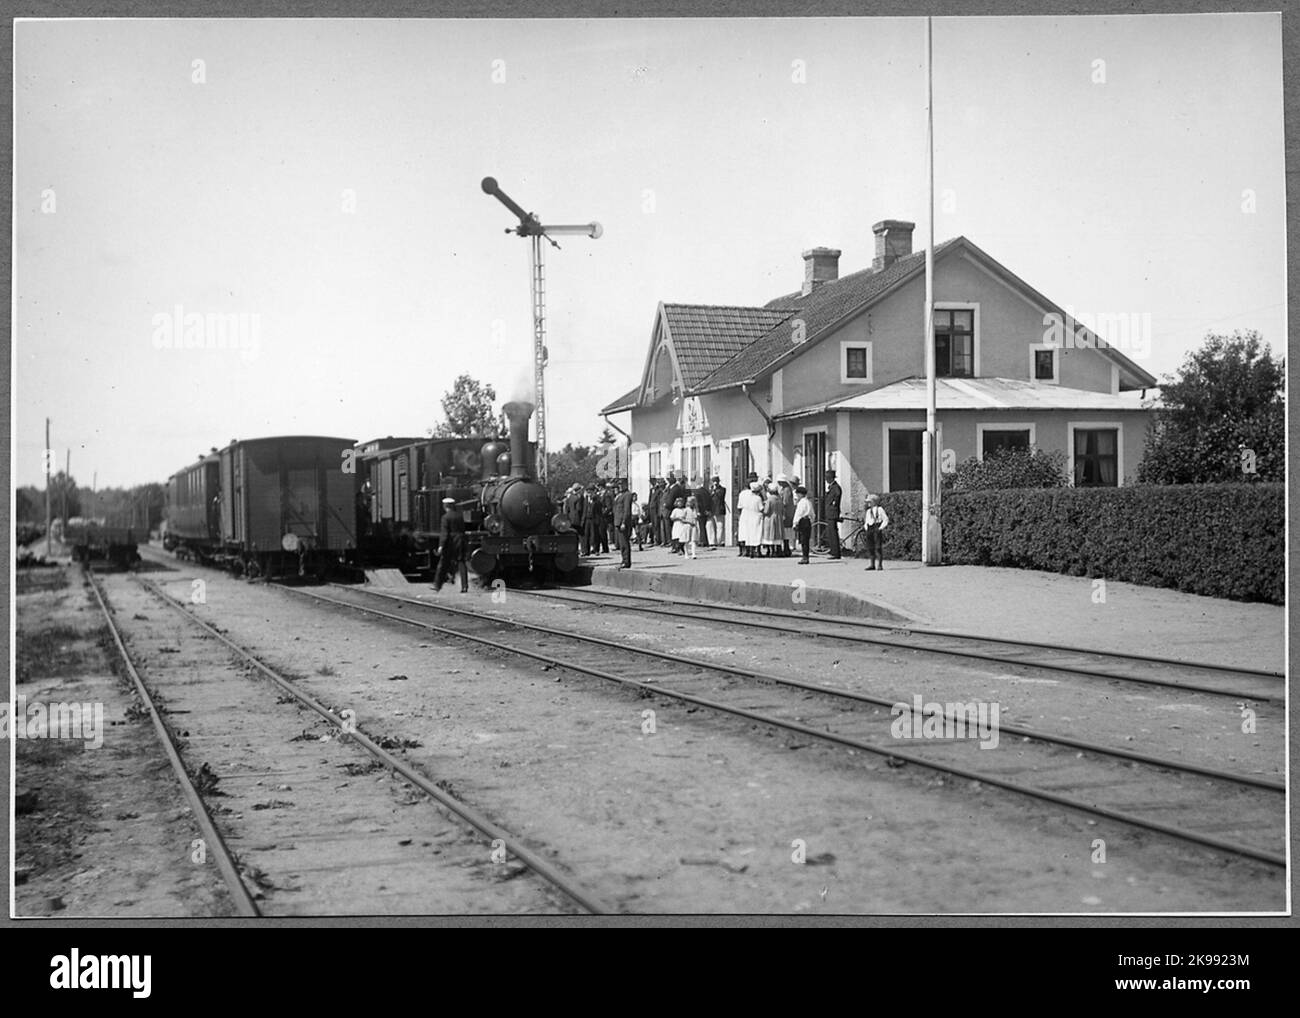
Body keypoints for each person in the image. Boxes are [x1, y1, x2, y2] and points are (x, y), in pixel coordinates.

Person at [433, 496, 468, 593]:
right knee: (461, 562)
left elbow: (444, 533)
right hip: (460, 540)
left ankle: (437, 585)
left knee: (443, 564)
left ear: (445, 506)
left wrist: (441, 546)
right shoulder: (459, 516)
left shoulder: (445, 517)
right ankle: (464, 586)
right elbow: (463, 530)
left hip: (450, 542)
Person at [613, 478, 636, 569]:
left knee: (624, 543)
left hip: (623, 522)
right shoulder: (619, 495)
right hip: (617, 521)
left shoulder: (627, 495)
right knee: (621, 543)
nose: (620, 486)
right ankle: (623, 560)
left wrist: (624, 522)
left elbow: (626, 510)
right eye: (619, 485)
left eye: (621, 484)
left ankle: (626, 561)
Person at [863, 494, 890, 571]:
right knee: (870, 546)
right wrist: (866, 527)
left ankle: (880, 564)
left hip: (876, 527)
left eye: (870, 502)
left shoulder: (880, 509)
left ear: (874, 502)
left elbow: (886, 519)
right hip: (869, 528)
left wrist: (881, 527)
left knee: (878, 547)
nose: (868, 504)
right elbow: (866, 520)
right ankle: (872, 564)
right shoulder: (868, 511)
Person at [738, 481, 763, 557]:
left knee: (747, 533)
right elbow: (761, 508)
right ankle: (757, 551)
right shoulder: (758, 498)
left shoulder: (743, 495)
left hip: (746, 515)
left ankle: (746, 551)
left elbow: (739, 506)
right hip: (756, 516)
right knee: (757, 534)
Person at [824, 470, 843, 560]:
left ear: (831, 478)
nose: (826, 480)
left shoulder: (835, 487)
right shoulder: (831, 487)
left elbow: (837, 496)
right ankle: (833, 551)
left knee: (833, 533)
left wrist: (833, 504)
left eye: (827, 478)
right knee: (830, 533)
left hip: (832, 512)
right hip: (830, 512)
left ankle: (835, 553)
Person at [792, 485, 813, 564]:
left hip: (802, 521)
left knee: (803, 540)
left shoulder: (801, 503)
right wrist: (811, 520)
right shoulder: (808, 502)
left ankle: (805, 557)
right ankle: (806, 556)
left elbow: (798, 514)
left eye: (797, 494)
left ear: (800, 494)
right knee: (806, 540)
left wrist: (795, 523)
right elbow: (812, 514)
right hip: (807, 521)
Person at [761, 481, 782, 556]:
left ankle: (771, 550)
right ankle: (777, 550)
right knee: (777, 534)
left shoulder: (769, 500)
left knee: (770, 534)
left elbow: (766, 511)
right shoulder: (779, 499)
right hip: (778, 517)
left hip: (770, 518)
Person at [692, 477, 712, 548]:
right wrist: (708, 509)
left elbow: (698, 502)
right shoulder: (705, 491)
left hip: (700, 511)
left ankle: (703, 541)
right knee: (703, 526)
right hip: (706, 510)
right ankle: (704, 540)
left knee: (701, 527)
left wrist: (698, 511)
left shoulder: (697, 491)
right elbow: (709, 501)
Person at [778, 476, 795, 558]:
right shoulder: (785, 489)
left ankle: (786, 548)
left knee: (786, 530)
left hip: (787, 513)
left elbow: (786, 502)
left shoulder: (786, 489)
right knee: (785, 531)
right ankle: (786, 548)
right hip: (786, 512)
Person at [709, 477, 727, 548]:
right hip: (712, 509)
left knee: (720, 526)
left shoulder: (722, 489)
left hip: (719, 509)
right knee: (711, 526)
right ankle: (713, 542)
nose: (715, 483)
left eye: (716, 481)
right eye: (714, 481)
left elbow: (721, 496)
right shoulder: (710, 489)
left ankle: (720, 541)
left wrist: (715, 490)